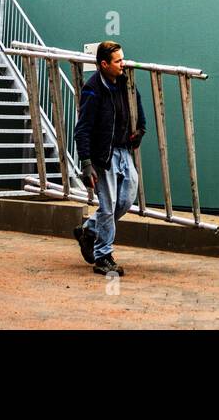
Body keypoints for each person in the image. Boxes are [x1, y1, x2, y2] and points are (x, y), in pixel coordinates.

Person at [72, 41, 145, 275]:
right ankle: (103, 256)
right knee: (108, 205)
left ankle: (88, 230)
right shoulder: (93, 89)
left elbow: (137, 106)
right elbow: (81, 129)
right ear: (104, 64)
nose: (123, 64)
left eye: (122, 59)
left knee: (124, 201)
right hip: (104, 155)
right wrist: (86, 163)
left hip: (124, 151)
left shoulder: (126, 84)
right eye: (118, 61)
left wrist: (140, 129)